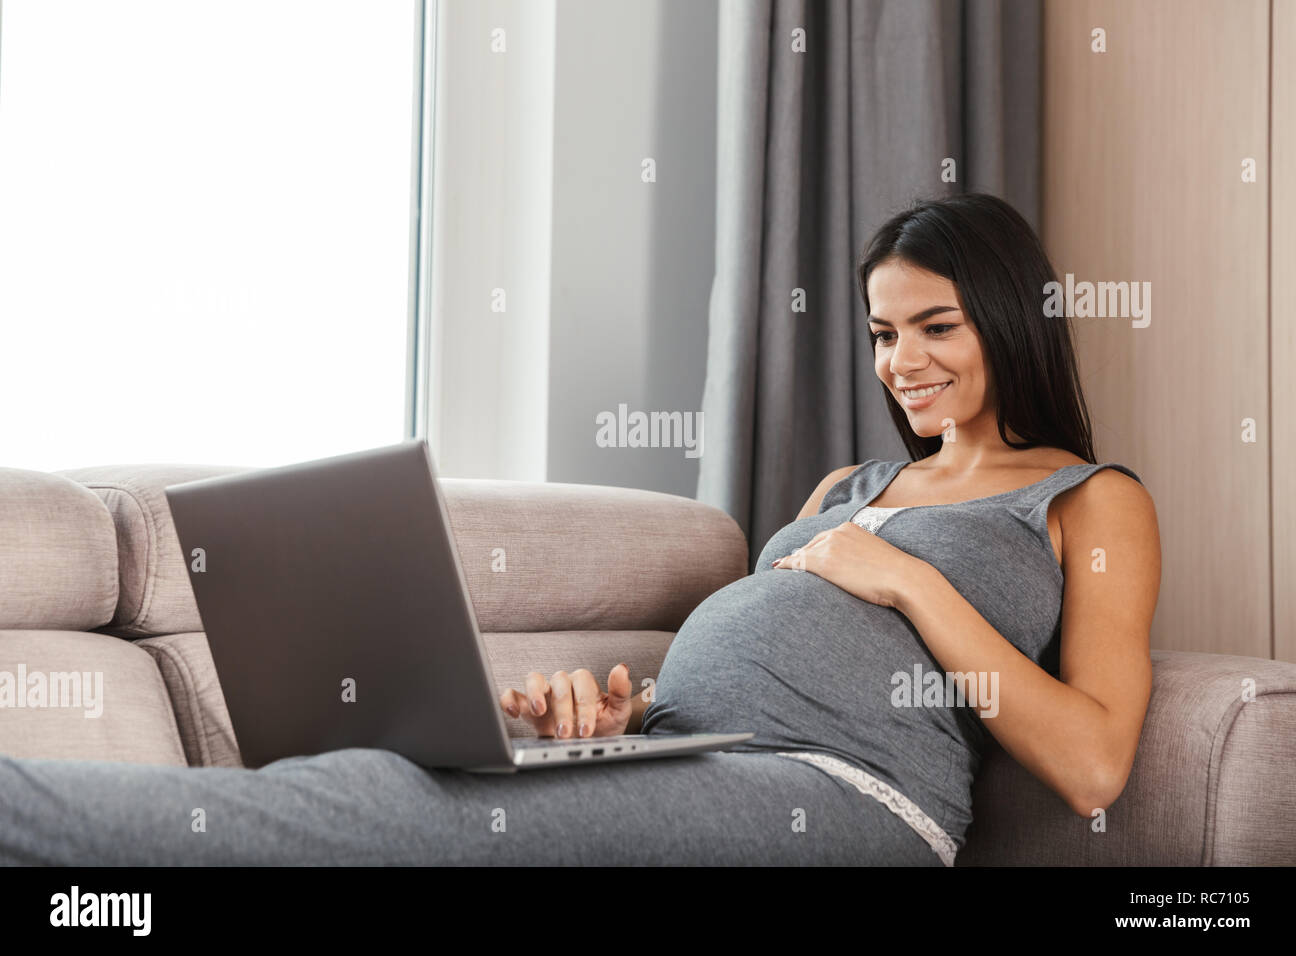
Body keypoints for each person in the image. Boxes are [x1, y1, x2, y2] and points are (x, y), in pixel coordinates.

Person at [0, 193, 1159, 866]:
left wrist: (907, 580)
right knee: (392, 769)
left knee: (413, 814)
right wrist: (627, 721)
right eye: (877, 332)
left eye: (932, 326)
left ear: (1008, 317)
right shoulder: (845, 486)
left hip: (851, 794)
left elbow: (1094, 761)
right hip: (700, 757)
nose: (897, 362)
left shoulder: (1084, 498)